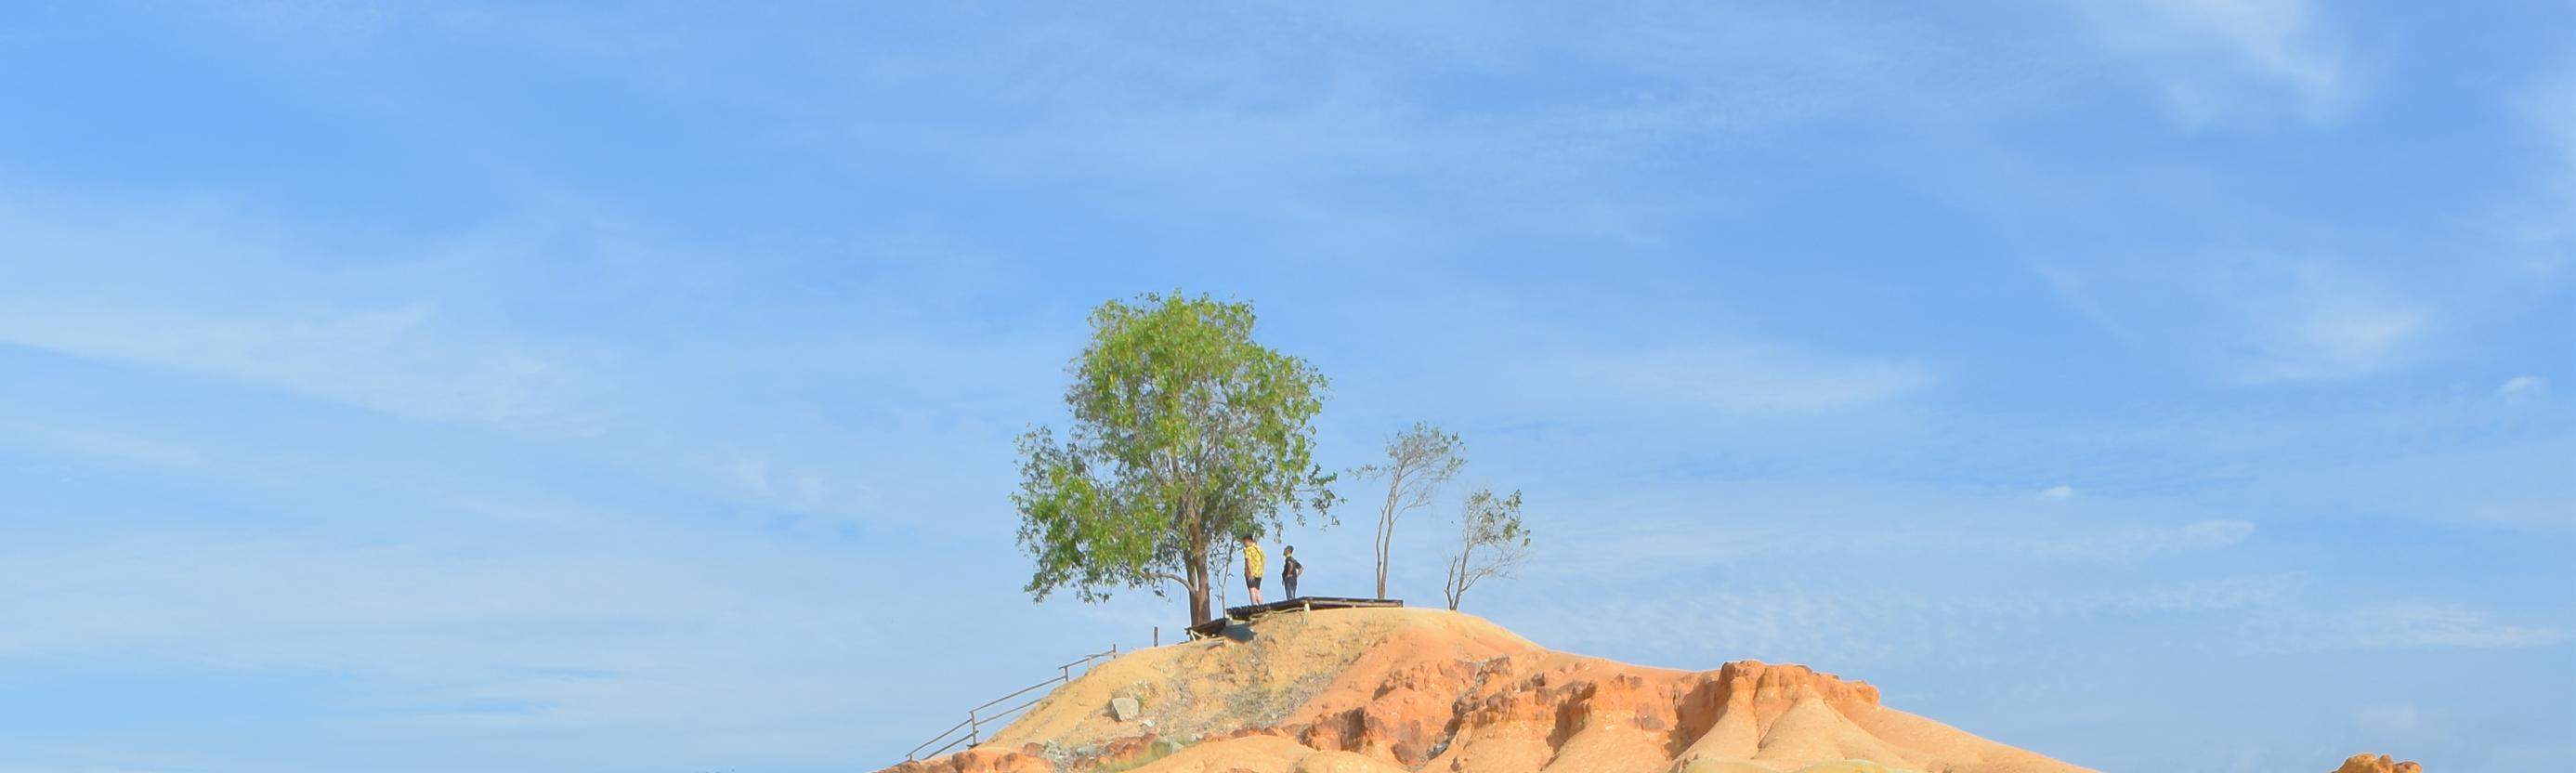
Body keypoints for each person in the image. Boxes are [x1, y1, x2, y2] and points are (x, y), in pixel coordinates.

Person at [1240, 534, 1266, 604]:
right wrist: (1261, 569)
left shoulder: (1248, 549)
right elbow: (1264, 559)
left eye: (1244, 542)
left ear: (1248, 541)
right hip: (1259, 573)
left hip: (1251, 572)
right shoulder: (1258, 549)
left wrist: (1250, 572)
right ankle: (1261, 604)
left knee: (1252, 589)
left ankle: (1254, 605)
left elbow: (1249, 561)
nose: (1244, 544)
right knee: (1257, 590)